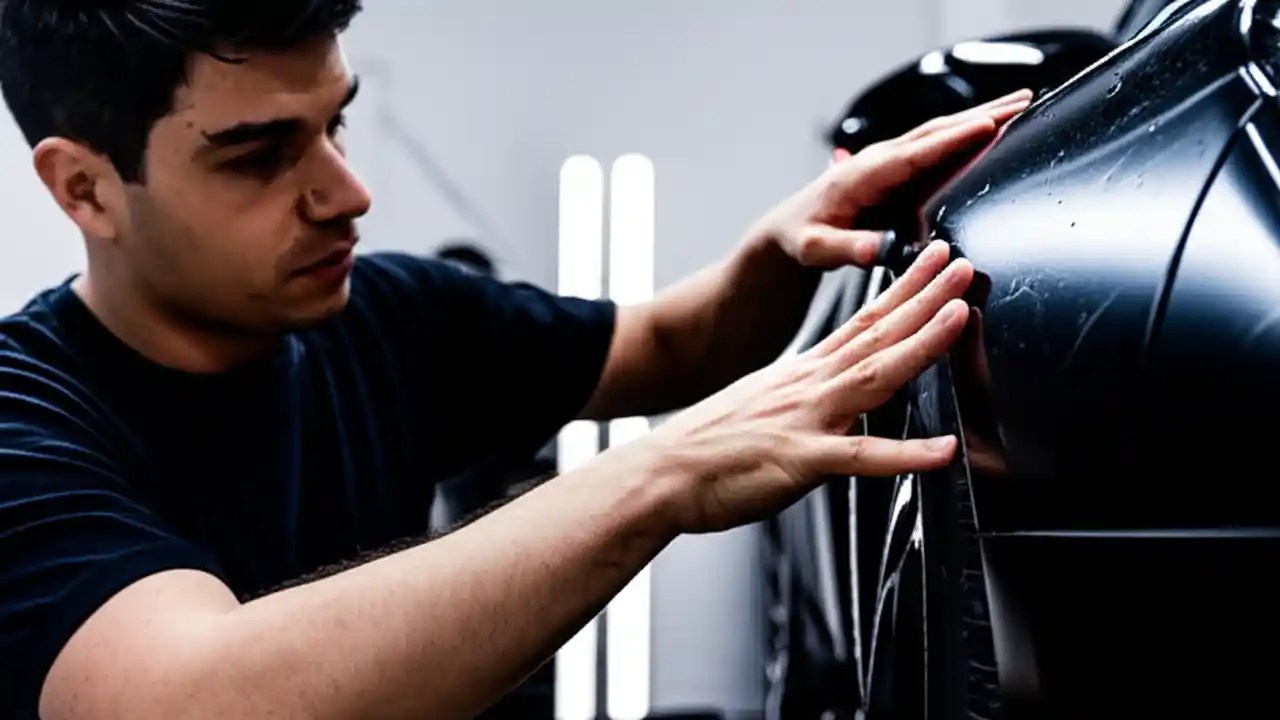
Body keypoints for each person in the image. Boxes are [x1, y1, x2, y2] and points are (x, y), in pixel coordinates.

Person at [0, 1, 1031, 718]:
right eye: (262, 155)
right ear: (84, 189)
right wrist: (663, 477)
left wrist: (775, 248)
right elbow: (188, 701)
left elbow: (670, 345)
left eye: (335, 125)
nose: (344, 193)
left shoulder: (385, 316)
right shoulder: (24, 420)